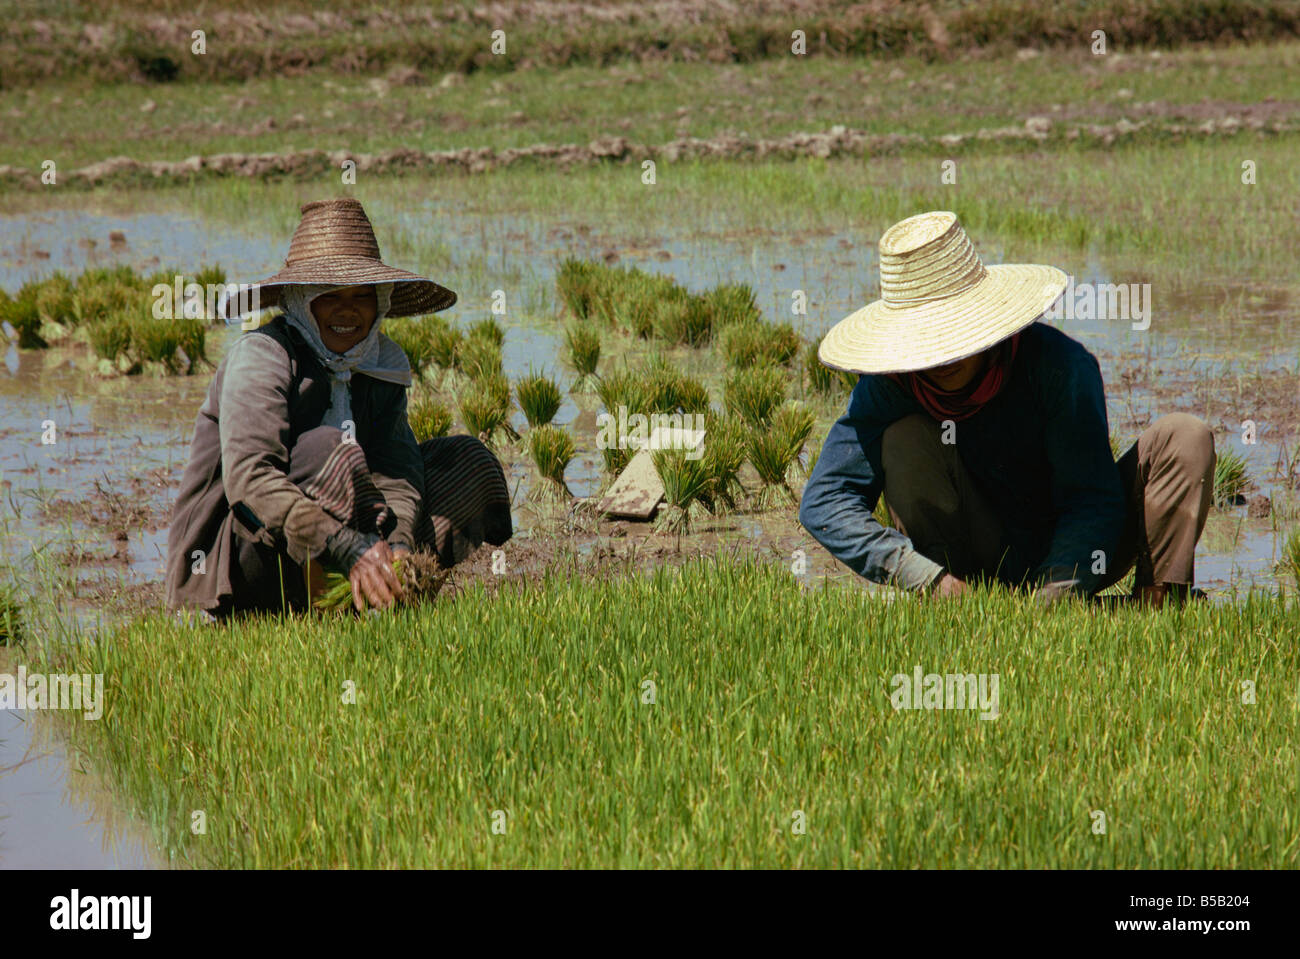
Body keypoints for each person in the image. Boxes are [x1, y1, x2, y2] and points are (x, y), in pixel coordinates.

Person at [799, 211, 1214, 608]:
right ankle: (953, 604)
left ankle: (1158, 604)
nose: (944, 358)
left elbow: (1091, 501)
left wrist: (1054, 595)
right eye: (929, 340)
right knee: (902, 438)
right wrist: (922, 575)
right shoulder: (890, 387)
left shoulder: (1059, 368)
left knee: (1185, 437)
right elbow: (824, 500)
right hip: (969, 560)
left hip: (1076, 550)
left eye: (954, 331)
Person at [165, 198, 512, 618]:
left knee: (468, 461)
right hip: (253, 556)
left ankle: (385, 592)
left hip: (357, 527)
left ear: (380, 302)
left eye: (362, 296)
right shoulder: (262, 357)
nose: (348, 309)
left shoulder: (379, 362)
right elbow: (249, 480)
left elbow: (396, 468)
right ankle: (320, 606)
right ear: (299, 299)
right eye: (330, 296)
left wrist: (400, 544)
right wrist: (346, 546)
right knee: (331, 448)